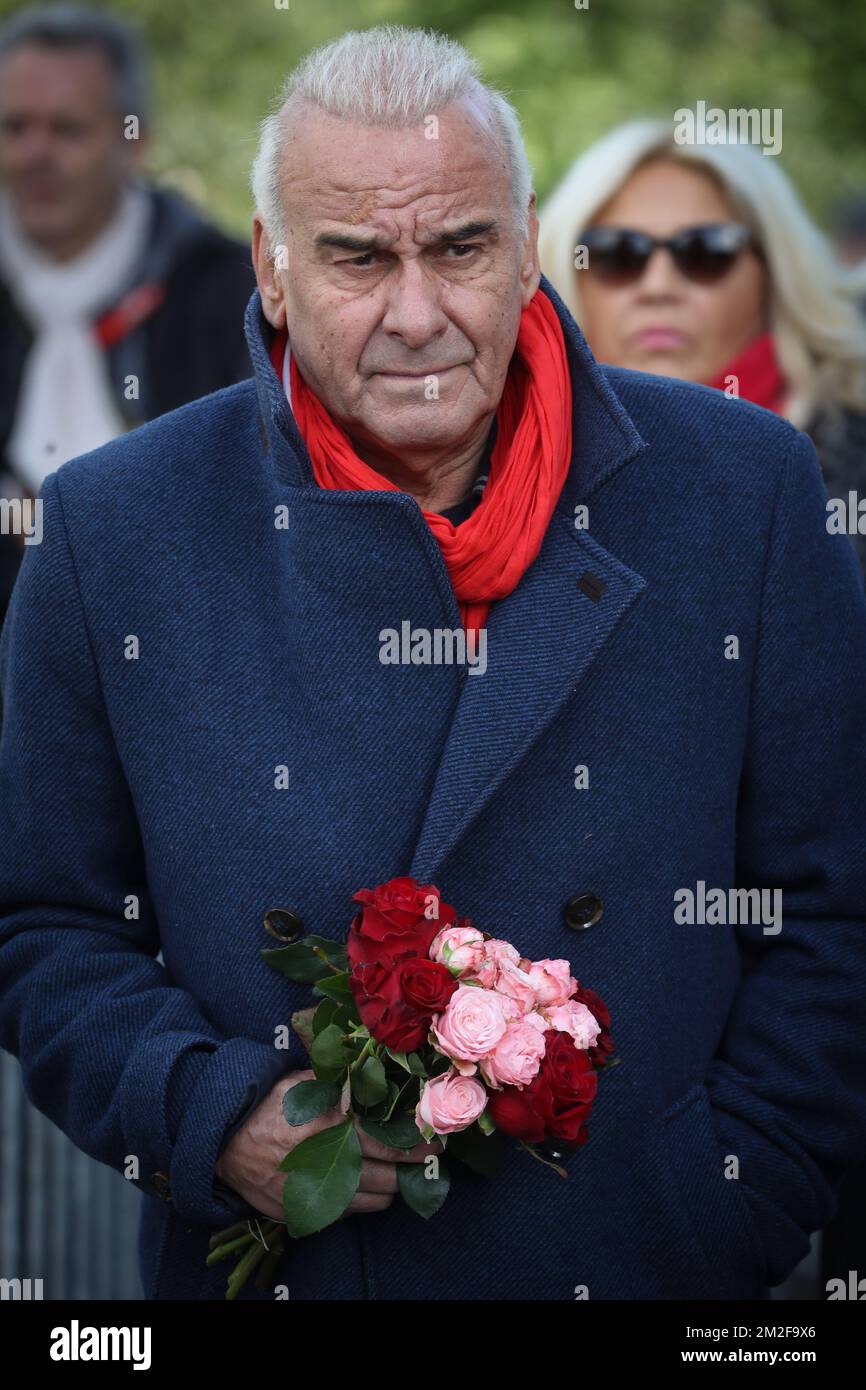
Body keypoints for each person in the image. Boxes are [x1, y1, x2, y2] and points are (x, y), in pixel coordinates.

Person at [1, 24, 866, 1302]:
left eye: (459, 248)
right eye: (357, 257)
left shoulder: (740, 493)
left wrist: (720, 1200)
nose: (417, 314)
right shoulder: (114, 529)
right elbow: (43, 924)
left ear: (523, 244)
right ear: (273, 270)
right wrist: (205, 1111)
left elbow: (832, 909)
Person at [0, 5, 257, 627]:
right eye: (14, 127)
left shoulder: (226, 294)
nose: (36, 153)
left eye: (67, 129)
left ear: (133, 139)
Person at [537, 119, 866, 578]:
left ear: (776, 275)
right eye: (617, 253)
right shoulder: (501, 468)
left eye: (706, 251)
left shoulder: (852, 460)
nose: (658, 286)